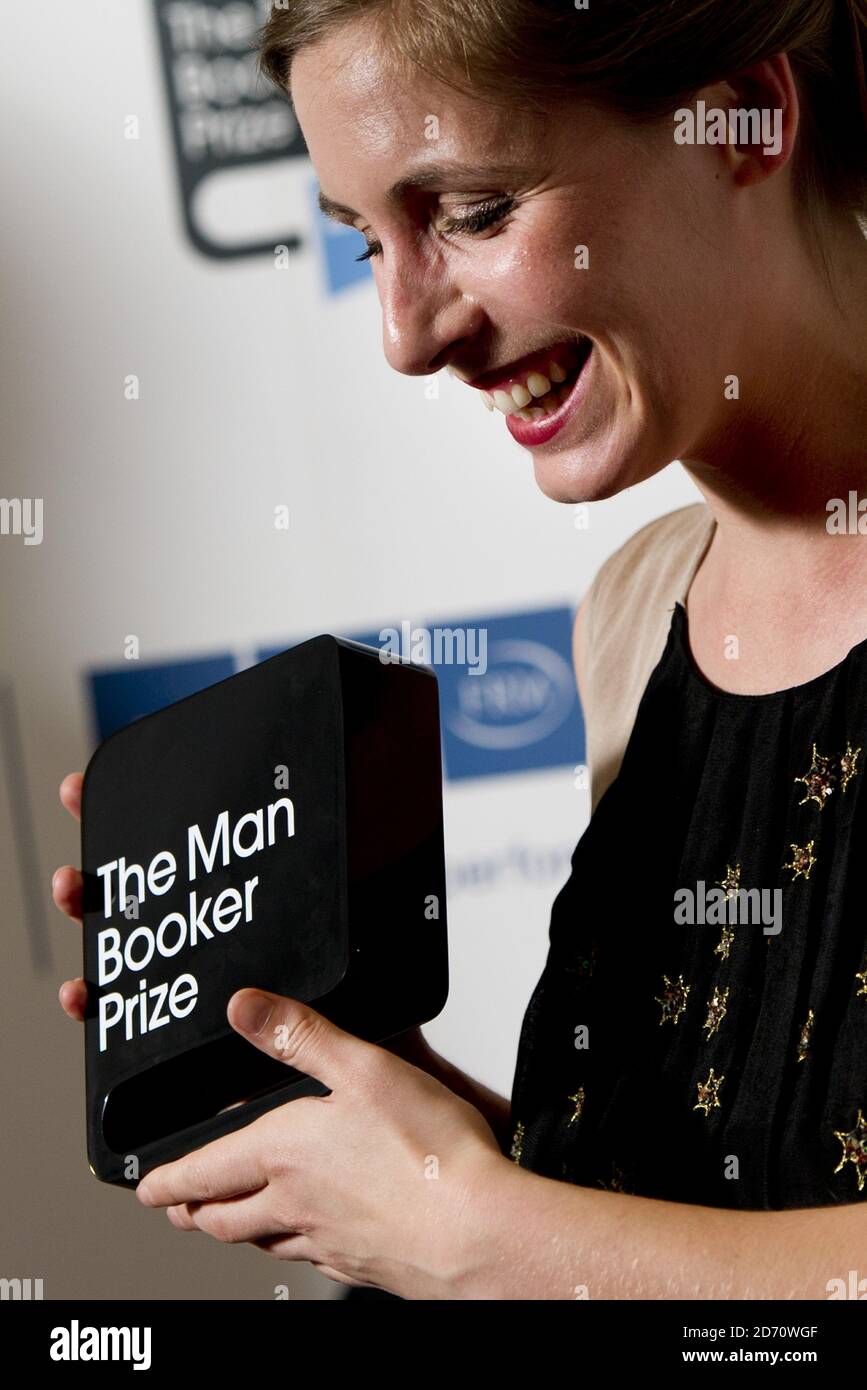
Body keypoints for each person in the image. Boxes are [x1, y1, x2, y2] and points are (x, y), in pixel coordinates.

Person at [53, 0, 867, 1297]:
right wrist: (431, 1145)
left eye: (472, 214)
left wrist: (482, 1239)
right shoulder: (638, 610)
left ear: (744, 122)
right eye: (367, 240)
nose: (406, 333)